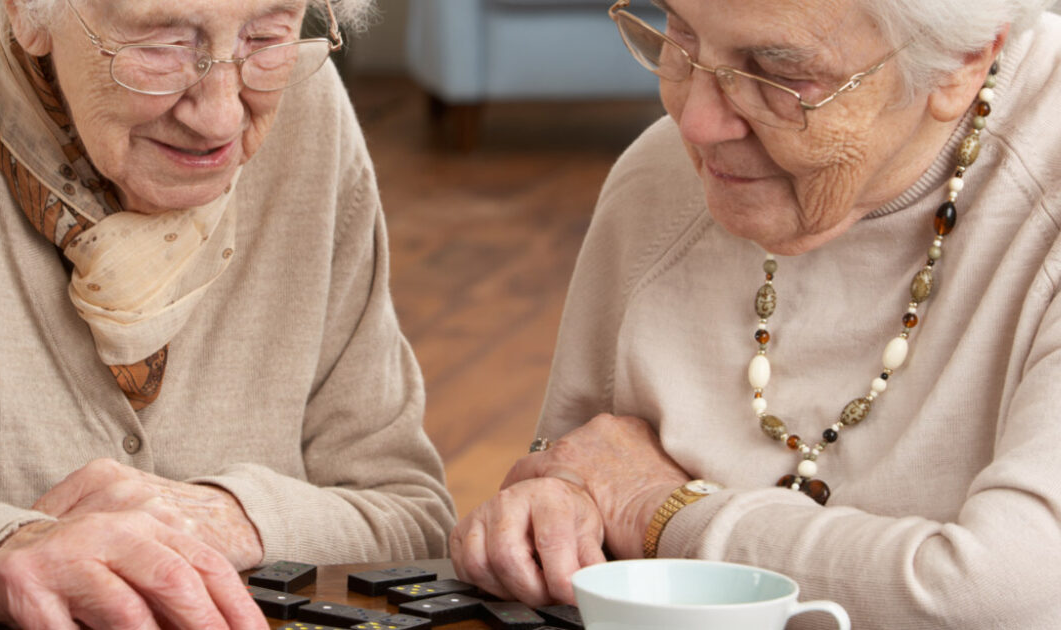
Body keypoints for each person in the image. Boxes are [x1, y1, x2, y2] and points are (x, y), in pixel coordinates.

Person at [451, 0, 1061, 626]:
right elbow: (580, 485)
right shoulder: (662, 183)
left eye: (778, 72)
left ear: (962, 63)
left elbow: (1011, 599)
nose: (696, 122)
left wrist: (657, 509)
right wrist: (550, 515)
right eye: (681, 36)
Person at [0, 0, 456, 627]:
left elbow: (411, 515)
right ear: (29, 15)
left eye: (265, 36)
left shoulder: (309, 109)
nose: (220, 114)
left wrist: (233, 516)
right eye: (161, 43)